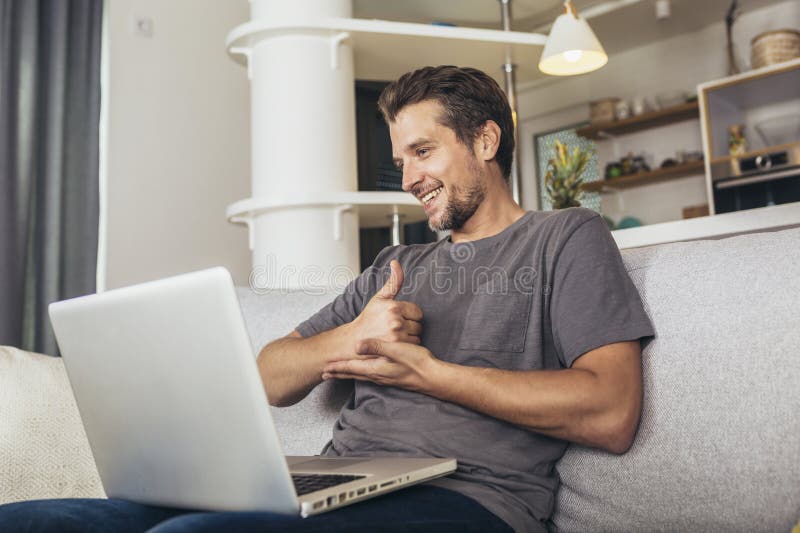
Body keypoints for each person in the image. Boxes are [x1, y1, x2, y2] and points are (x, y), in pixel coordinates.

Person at [0, 66, 654, 533]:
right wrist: (351, 338)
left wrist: (430, 372)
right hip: (337, 484)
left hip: (471, 499)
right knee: (38, 518)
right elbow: (269, 376)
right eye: (401, 161)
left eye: (423, 151)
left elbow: (611, 409)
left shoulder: (565, 237)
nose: (410, 179)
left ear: (485, 141)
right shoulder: (395, 265)